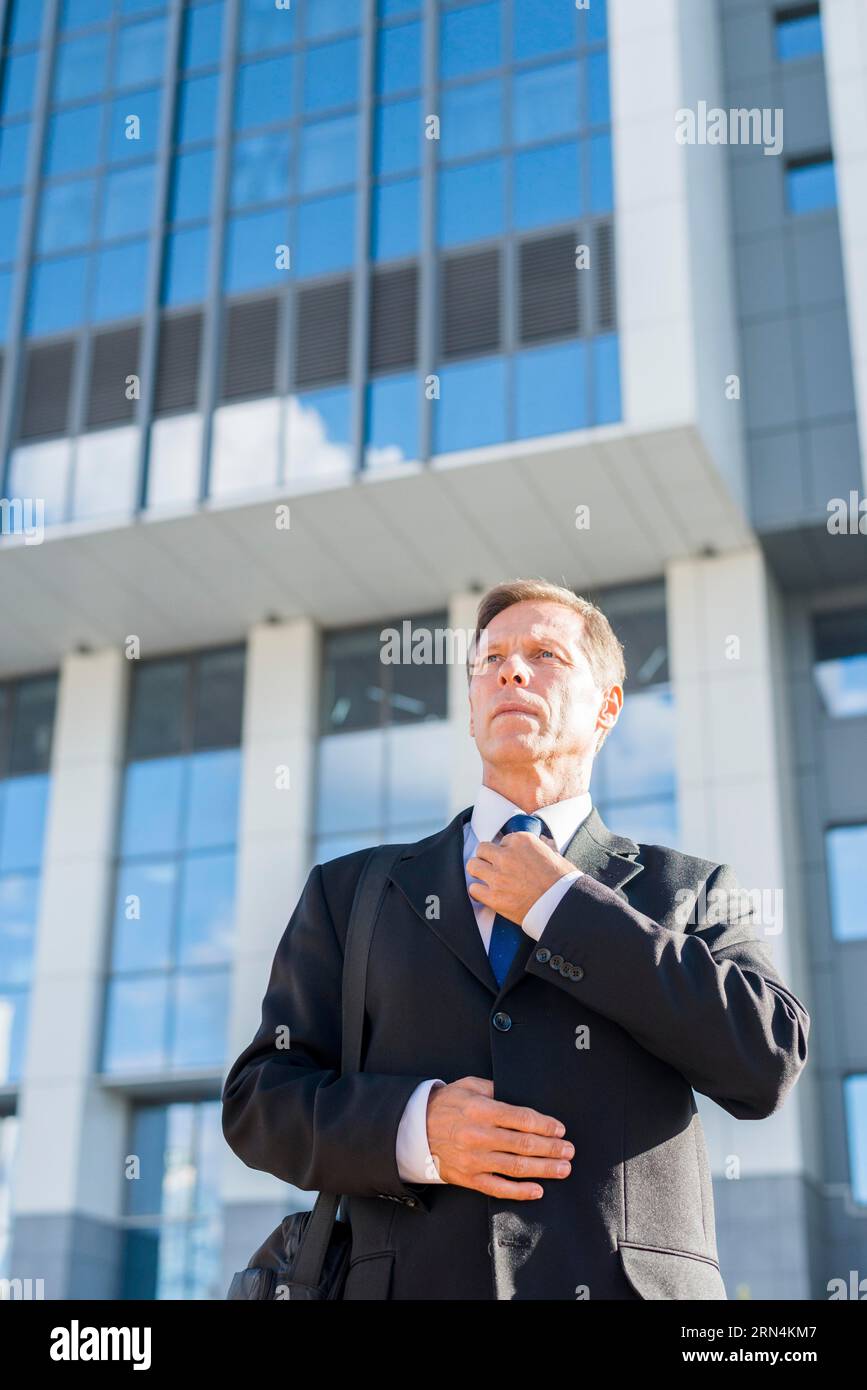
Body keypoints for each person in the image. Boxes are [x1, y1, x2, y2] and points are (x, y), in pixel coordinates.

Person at [221, 578, 810, 1300]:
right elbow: (259, 1102)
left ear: (607, 706)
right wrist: (415, 1129)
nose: (509, 670)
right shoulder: (351, 894)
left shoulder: (690, 889)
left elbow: (766, 1060)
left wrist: (564, 904)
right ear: (471, 709)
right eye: (489, 659)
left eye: (543, 654)